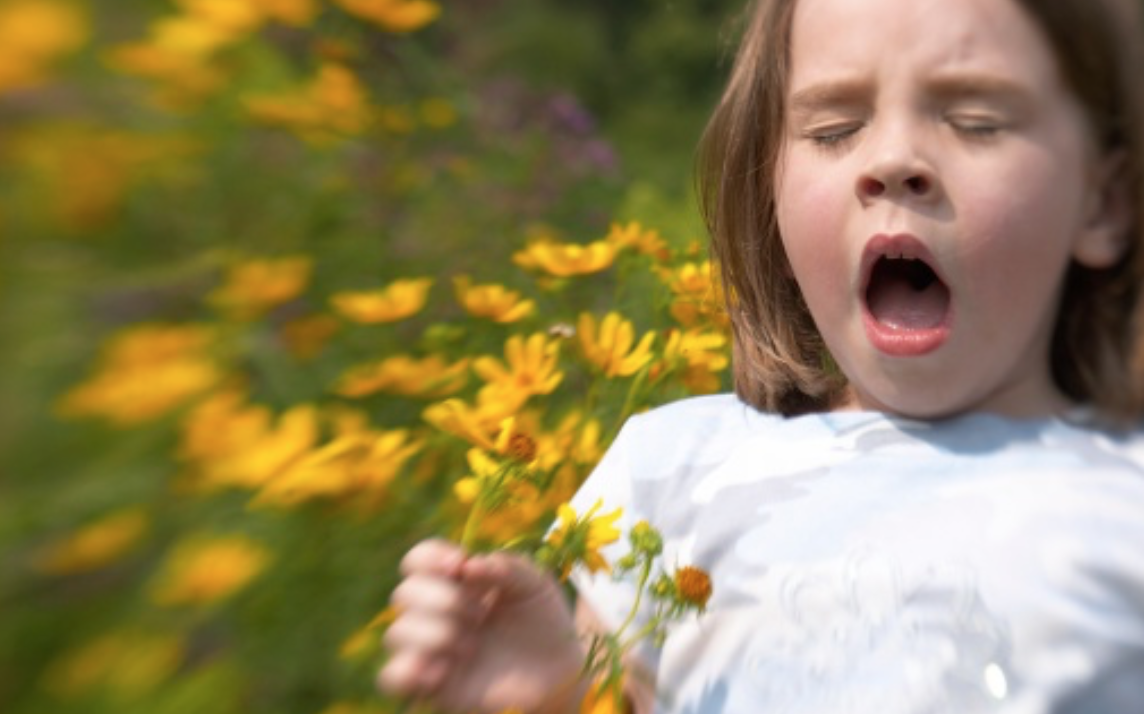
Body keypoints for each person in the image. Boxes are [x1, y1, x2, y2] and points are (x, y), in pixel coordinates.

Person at [377, 0, 1144, 710]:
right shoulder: (676, 468)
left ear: (1104, 200)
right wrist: (553, 691)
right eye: (834, 129)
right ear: (768, 187)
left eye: (976, 120)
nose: (894, 160)